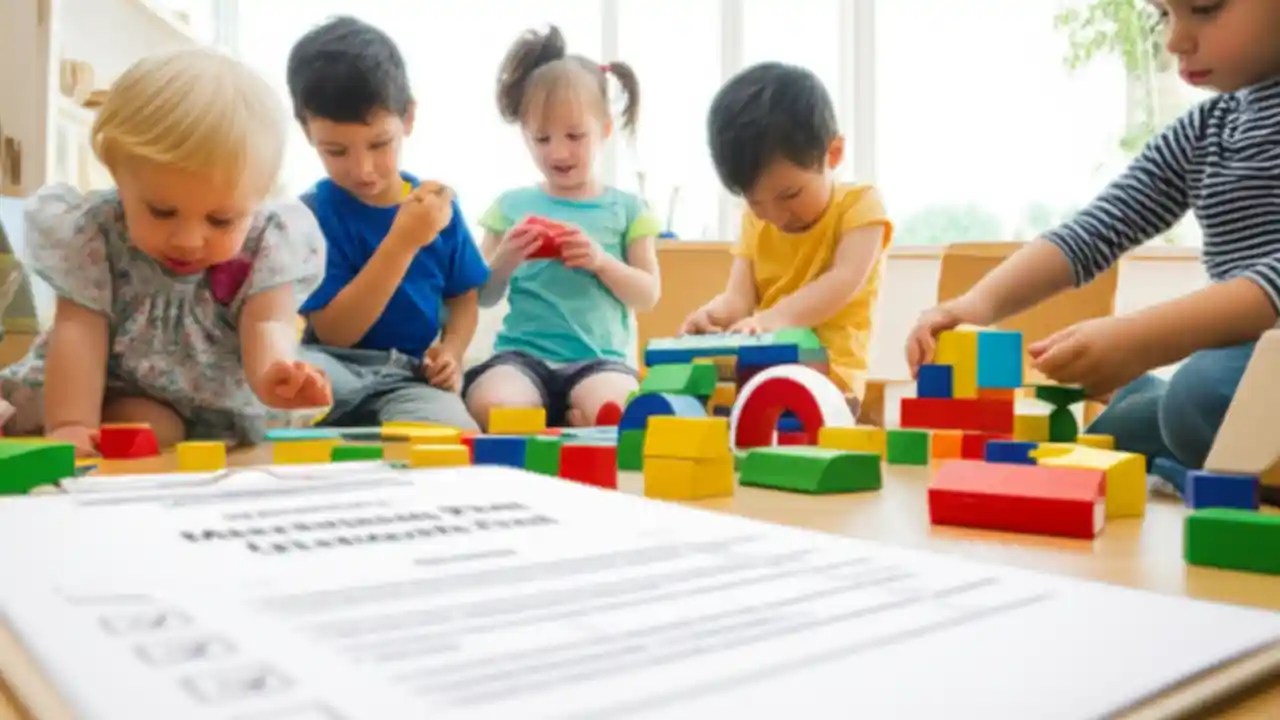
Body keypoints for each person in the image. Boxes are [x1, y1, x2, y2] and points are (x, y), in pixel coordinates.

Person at [905, 0, 1280, 490]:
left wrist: (1142, 340)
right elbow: (1097, 228)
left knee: (1199, 394)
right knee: (1117, 431)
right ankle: (1189, 443)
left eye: (1204, 9)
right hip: (1243, 369)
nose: (1173, 40)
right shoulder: (1204, 131)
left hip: (1236, 376)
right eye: (1163, 15)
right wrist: (977, 303)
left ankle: (1188, 445)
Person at [0, 48, 332, 456]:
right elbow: (79, 333)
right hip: (113, 384)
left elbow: (267, 324)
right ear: (118, 176)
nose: (188, 240)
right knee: (145, 426)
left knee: (171, 432)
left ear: (259, 198)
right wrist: (71, 425)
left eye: (221, 220)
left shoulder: (271, 240)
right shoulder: (96, 232)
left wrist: (275, 374)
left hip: (221, 403)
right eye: (161, 211)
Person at [286, 16, 488, 431]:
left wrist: (451, 350)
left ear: (408, 118)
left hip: (408, 376)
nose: (362, 169)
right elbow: (336, 332)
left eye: (380, 144)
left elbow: (464, 297)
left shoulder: (437, 205)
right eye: (336, 151)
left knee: (458, 436)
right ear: (307, 132)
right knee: (270, 398)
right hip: (330, 366)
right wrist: (402, 243)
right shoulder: (311, 214)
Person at [465, 25, 662, 429]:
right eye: (542, 138)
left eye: (575, 135)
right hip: (521, 358)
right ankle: (557, 416)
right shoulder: (510, 206)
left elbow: (648, 294)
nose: (558, 151)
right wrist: (504, 260)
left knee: (616, 413)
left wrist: (600, 262)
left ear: (604, 129)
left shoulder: (627, 208)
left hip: (600, 360)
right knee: (493, 405)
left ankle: (570, 416)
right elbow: (480, 295)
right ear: (525, 136)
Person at [680, 62, 893, 408]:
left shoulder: (861, 207)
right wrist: (714, 315)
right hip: (760, 371)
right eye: (755, 201)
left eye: (790, 195)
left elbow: (843, 280)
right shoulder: (755, 220)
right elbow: (739, 299)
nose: (776, 216)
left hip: (830, 379)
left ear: (833, 154)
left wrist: (774, 319)